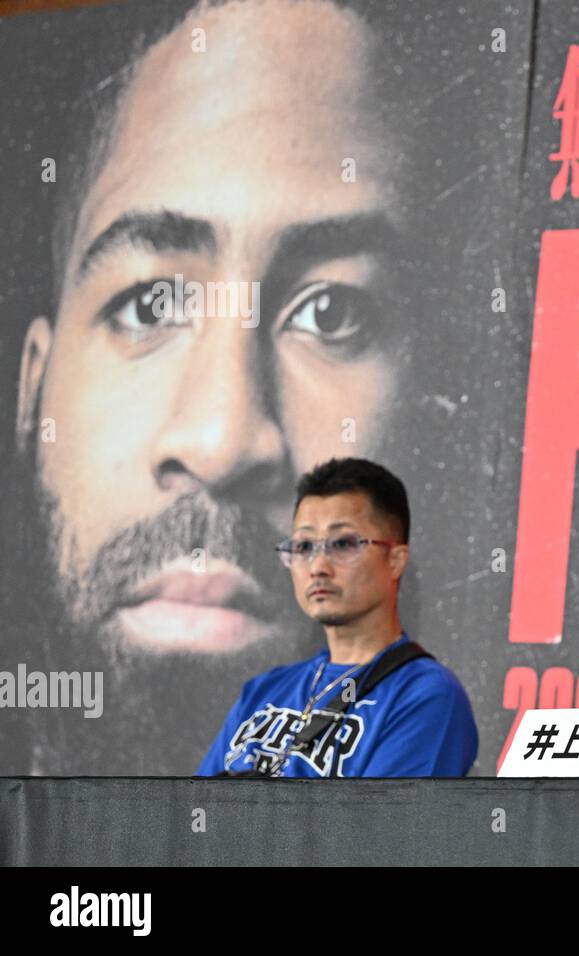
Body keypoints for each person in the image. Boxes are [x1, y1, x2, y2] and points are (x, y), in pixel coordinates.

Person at [6, 0, 464, 773]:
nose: (222, 441)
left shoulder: (425, 711)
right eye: (151, 304)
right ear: (32, 388)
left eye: (331, 311)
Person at [198, 458, 477, 777]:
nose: (318, 566)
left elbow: (377, 826)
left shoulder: (425, 695)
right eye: (304, 546)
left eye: (343, 544)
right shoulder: (263, 692)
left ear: (396, 560)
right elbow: (195, 818)